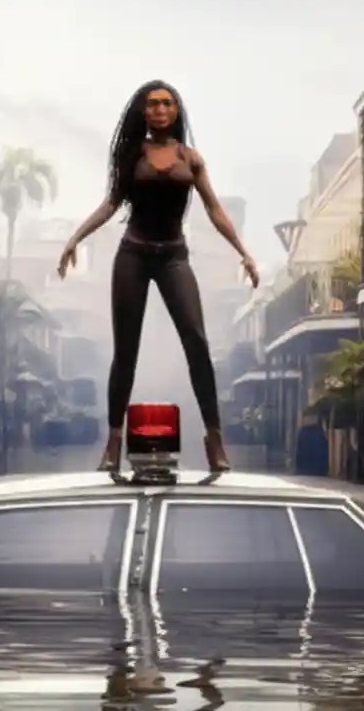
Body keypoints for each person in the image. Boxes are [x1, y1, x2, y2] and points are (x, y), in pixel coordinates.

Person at [57, 80, 259, 473]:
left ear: (176, 110)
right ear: (144, 111)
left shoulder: (191, 158)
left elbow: (215, 209)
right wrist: (74, 238)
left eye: (167, 103)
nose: (160, 109)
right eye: (153, 104)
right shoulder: (132, 155)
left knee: (197, 343)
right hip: (133, 255)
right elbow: (111, 203)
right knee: (126, 352)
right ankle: (114, 440)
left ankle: (214, 440)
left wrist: (245, 253)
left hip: (173, 258)